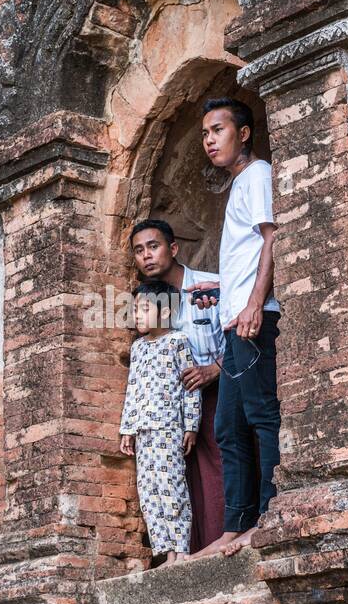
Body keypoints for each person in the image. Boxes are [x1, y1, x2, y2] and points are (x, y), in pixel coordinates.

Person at [193, 97, 281, 558]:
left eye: (218, 129)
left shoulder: (258, 174)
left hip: (253, 321)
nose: (210, 140)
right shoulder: (238, 186)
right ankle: (235, 525)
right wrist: (222, 285)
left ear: (243, 133)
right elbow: (248, 256)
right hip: (235, 322)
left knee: (262, 417)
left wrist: (253, 304)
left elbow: (272, 238)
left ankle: (268, 519)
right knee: (228, 425)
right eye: (205, 133)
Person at [130, 218, 225, 551]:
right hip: (168, 409)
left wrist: (216, 369)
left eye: (153, 246)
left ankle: (222, 539)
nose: (147, 256)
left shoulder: (210, 287)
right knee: (177, 481)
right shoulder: (146, 301)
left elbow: (248, 326)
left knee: (217, 466)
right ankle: (187, 550)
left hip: (218, 389)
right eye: (139, 251)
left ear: (173, 248)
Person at [119, 281, 202, 564]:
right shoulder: (138, 348)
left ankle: (181, 550)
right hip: (143, 432)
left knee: (172, 486)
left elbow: (191, 386)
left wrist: (191, 425)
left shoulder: (178, 342)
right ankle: (165, 553)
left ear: (165, 311)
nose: (137, 315)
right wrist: (127, 430)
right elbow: (132, 388)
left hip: (169, 428)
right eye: (135, 310)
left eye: (144, 309)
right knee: (149, 490)